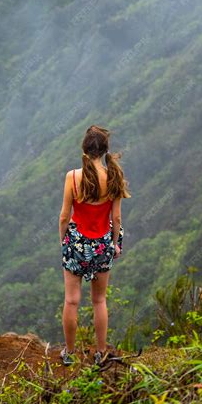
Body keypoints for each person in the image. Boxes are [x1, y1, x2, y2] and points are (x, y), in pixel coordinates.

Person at [59, 125, 131, 366]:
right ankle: (101, 352)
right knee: (99, 301)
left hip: (76, 243)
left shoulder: (72, 178)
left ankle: (69, 354)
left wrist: (65, 242)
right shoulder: (114, 177)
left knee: (71, 301)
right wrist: (114, 244)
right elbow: (117, 218)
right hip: (102, 245)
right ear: (105, 150)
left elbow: (64, 216)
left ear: (84, 148)